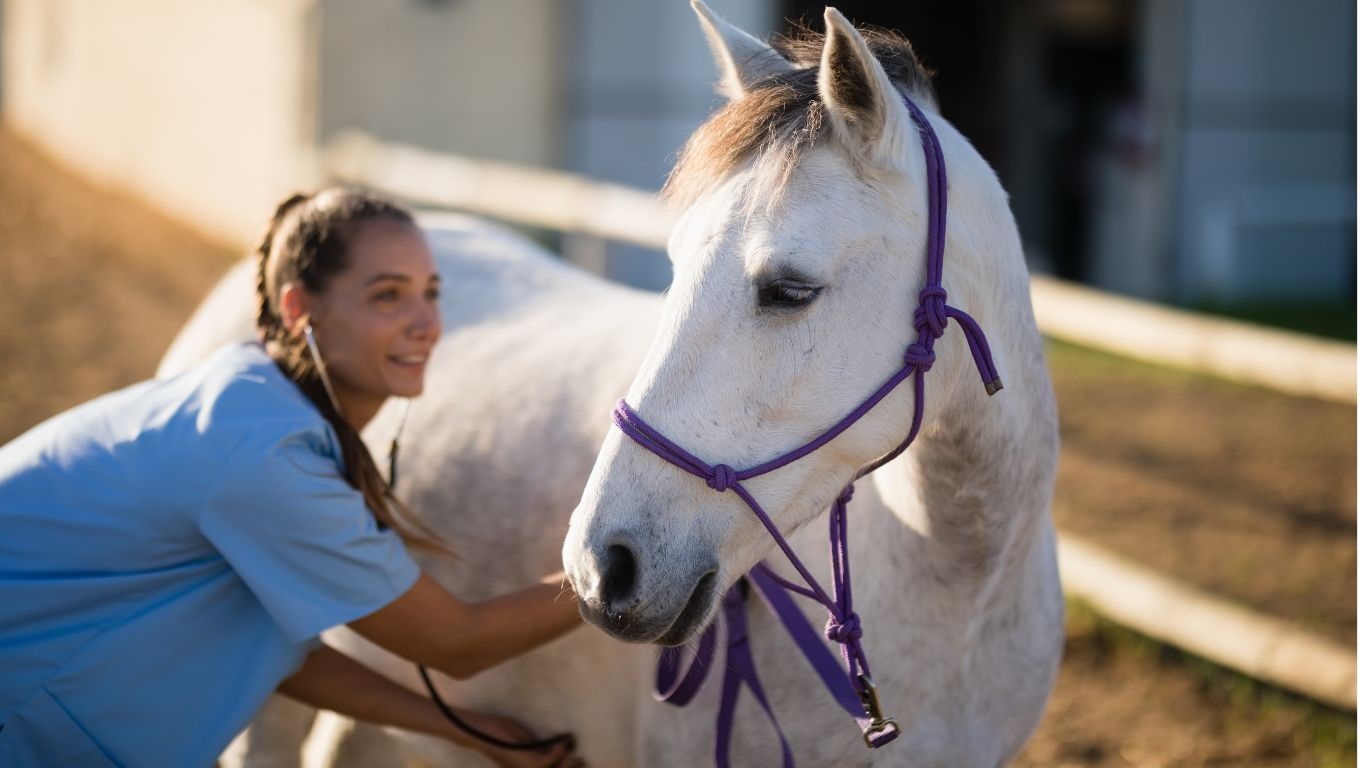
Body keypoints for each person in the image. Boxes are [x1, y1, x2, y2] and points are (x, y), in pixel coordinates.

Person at [0, 188, 584, 768]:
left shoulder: (255, 406)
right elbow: (457, 643)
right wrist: (618, 565)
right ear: (299, 310)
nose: (427, 324)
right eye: (388, 296)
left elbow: (276, 654)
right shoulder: (261, 456)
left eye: (430, 294)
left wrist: (467, 731)